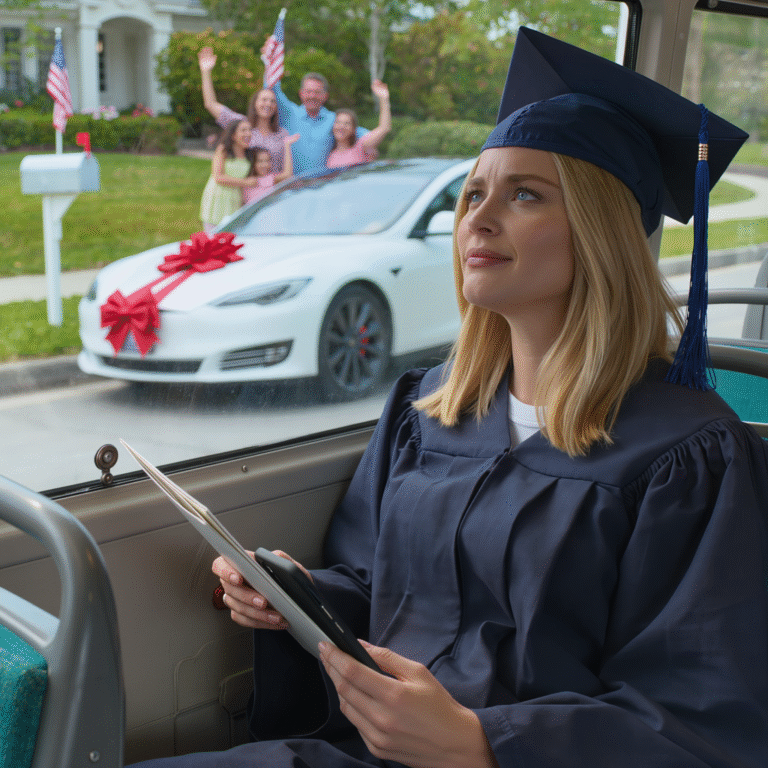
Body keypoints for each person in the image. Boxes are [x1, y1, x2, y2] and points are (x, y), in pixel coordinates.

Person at [131, 27, 768, 768]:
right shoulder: (428, 408)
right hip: (363, 749)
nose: (479, 218)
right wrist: (299, 596)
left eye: (524, 194)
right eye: (473, 194)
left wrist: (483, 744)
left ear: (601, 234)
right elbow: (382, 589)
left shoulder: (688, 456)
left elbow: (703, 716)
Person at [198, 46, 290, 174]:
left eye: (272, 101)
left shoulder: (282, 134)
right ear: (254, 104)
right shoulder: (241, 124)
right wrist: (205, 72)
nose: (268, 104)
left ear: (276, 108)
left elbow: (285, 170)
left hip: (271, 190)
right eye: (263, 100)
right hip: (245, 188)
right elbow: (210, 104)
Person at [199, 119, 255, 232]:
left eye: (250, 130)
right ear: (233, 135)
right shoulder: (223, 150)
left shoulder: (250, 155)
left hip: (235, 200)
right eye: (243, 130)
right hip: (217, 198)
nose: (248, 133)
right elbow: (218, 177)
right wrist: (245, 182)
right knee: (213, 238)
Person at [326, 80, 391, 169]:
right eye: (338, 122)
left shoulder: (361, 147)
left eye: (347, 123)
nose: (341, 126)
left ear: (353, 129)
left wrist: (384, 99)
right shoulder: (330, 156)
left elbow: (384, 128)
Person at [242, 133, 299, 206]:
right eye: (260, 161)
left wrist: (287, 145)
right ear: (253, 163)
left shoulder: (270, 178)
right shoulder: (245, 181)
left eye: (268, 161)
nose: (265, 165)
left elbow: (287, 174)